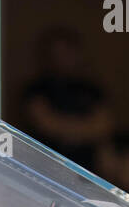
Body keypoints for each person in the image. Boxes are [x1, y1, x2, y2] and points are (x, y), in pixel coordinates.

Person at [20, 27, 112, 171]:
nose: (62, 59)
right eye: (57, 53)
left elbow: (103, 126)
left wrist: (65, 129)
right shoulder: (37, 88)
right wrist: (82, 129)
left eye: (67, 52)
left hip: (87, 168)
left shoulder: (91, 89)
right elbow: (44, 123)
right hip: (46, 164)